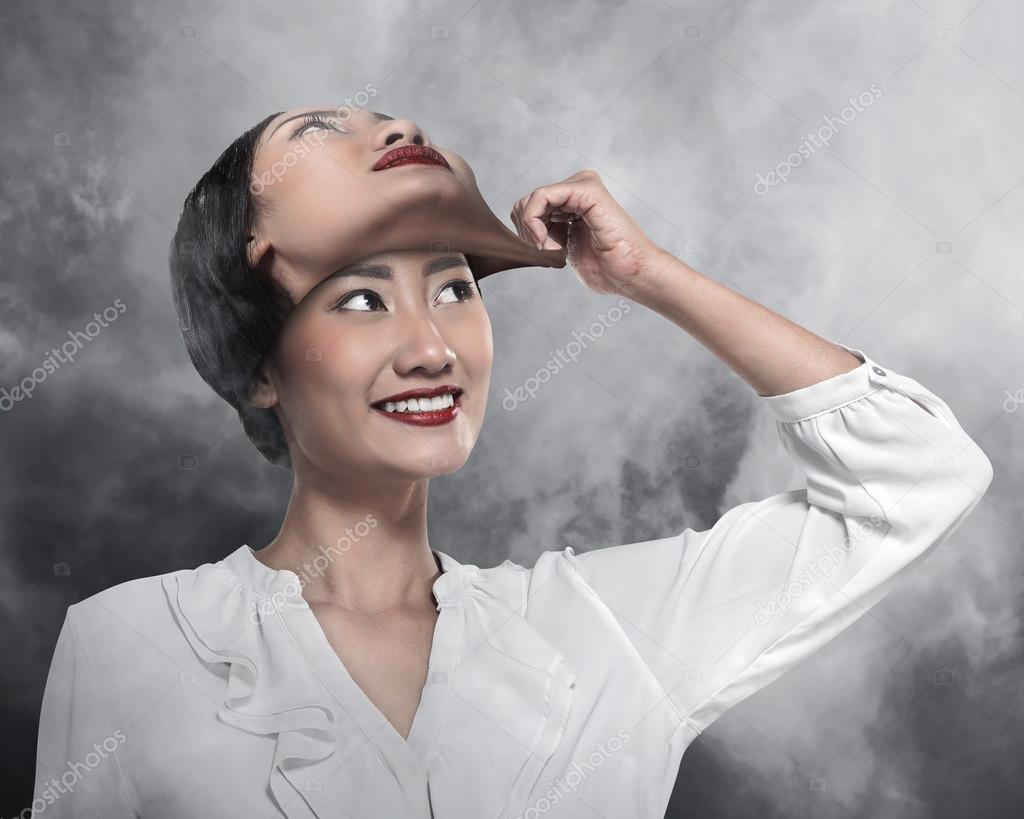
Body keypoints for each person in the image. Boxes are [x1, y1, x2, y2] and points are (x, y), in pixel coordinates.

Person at [30, 105, 993, 819]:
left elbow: (915, 478)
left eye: (454, 288)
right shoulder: (134, 644)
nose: (431, 347)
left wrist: (647, 275)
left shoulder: (611, 635)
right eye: (362, 300)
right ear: (260, 372)